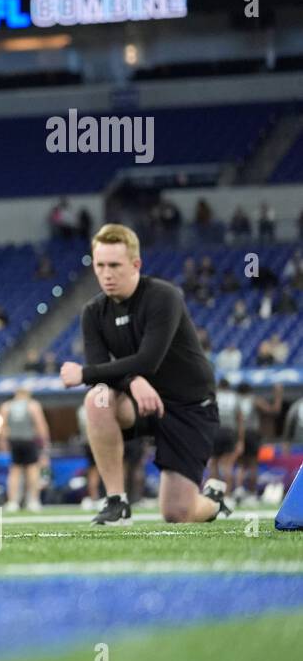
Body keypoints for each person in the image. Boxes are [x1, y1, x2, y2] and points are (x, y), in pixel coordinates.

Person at [60, 224, 230, 525]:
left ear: (136, 264)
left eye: (114, 265)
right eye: (100, 265)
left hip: (188, 405)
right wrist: (133, 381)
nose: (106, 273)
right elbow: (103, 369)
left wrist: (83, 373)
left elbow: (148, 360)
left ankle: (213, 502)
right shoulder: (93, 312)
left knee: (177, 513)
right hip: (140, 402)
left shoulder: (164, 296)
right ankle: (116, 501)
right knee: (98, 398)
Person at [0, 386, 48, 512]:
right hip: (29, 440)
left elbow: (3, 427)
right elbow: (40, 424)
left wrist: (3, 441)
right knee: (32, 470)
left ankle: (12, 502)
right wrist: (44, 442)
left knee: (14, 471)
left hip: (14, 441)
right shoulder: (32, 405)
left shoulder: (7, 406)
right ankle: (33, 500)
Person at [234, 382, 281, 501]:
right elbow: (273, 411)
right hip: (251, 433)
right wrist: (278, 395)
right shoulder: (255, 400)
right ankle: (252, 493)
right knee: (253, 464)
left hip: (238, 434)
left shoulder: (235, 400)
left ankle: (238, 490)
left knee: (240, 464)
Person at [211, 379, 243, 484]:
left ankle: (213, 495)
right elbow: (240, 419)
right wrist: (240, 440)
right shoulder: (235, 397)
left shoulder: (213, 396)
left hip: (216, 431)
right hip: (229, 432)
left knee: (214, 463)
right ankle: (228, 495)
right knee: (227, 465)